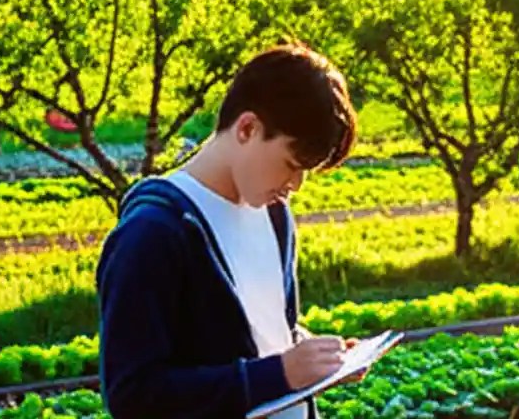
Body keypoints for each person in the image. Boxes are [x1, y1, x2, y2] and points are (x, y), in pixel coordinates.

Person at [97, 43, 360, 419]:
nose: (296, 184)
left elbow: (255, 337)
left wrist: (314, 358)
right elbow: (133, 396)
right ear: (248, 128)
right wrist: (280, 373)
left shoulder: (274, 216)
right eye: (291, 164)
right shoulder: (152, 234)